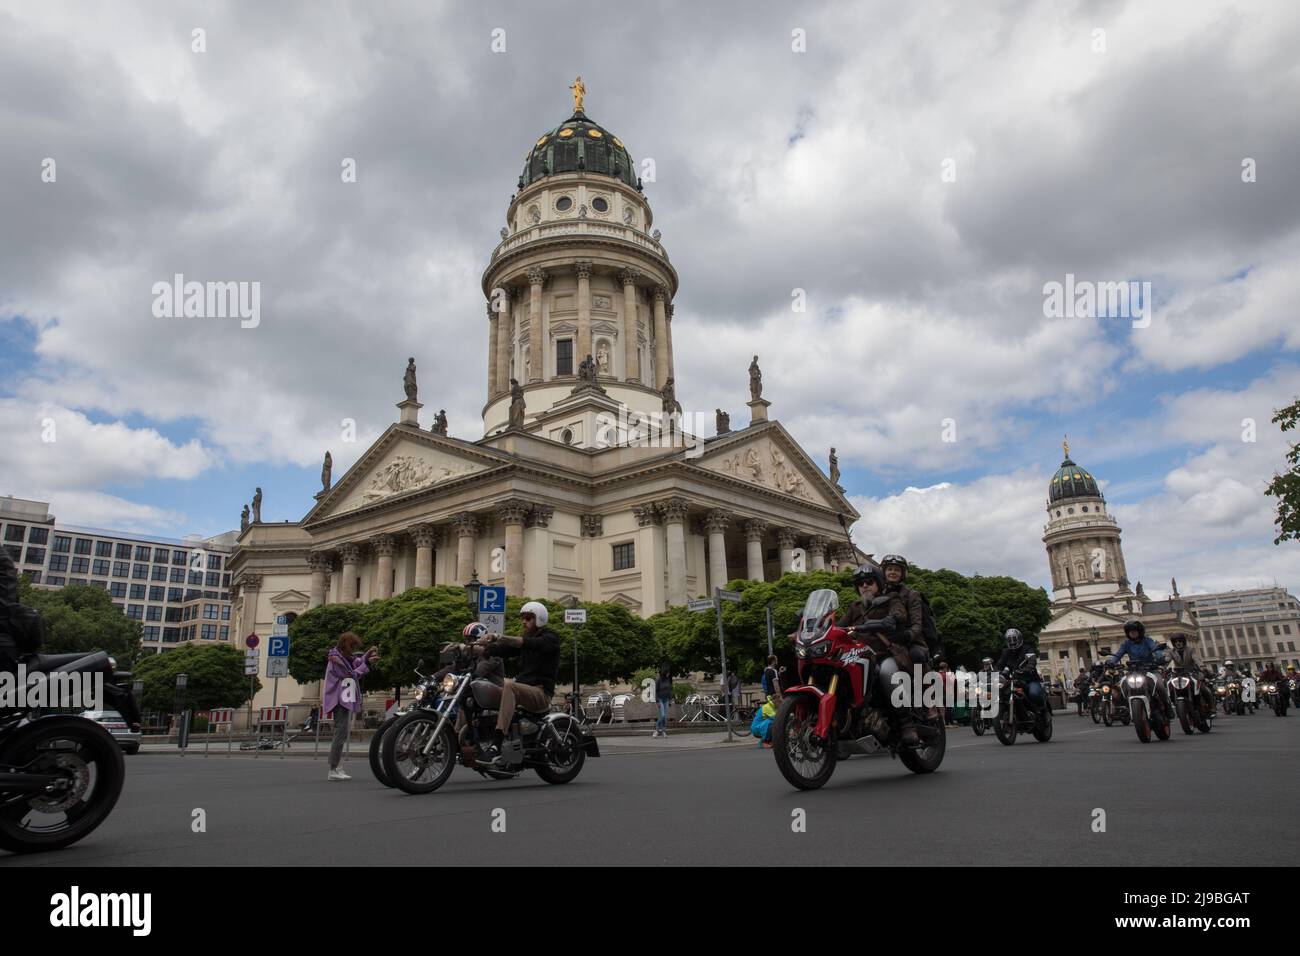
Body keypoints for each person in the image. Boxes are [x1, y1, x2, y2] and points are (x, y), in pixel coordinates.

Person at [475, 601, 560, 767]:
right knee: (477, 690)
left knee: (510, 686)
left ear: (540, 619)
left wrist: (498, 636)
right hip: (524, 691)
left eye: (528, 618)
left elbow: (529, 644)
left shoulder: (550, 637)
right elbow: (502, 650)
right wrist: (466, 647)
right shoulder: (527, 639)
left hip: (541, 693)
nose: (524, 622)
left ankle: (496, 745)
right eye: (523, 618)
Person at [322, 631, 378, 781]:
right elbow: (352, 674)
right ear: (346, 646)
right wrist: (366, 664)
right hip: (339, 700)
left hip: (344, 698)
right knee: (340, 734)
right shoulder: (337, 660)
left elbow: (356, 662)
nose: (353, 650)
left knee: (341, 733)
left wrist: (367, 656)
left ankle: (337, 768)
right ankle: (333, 769)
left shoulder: (342, 658)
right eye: (352, 647)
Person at [996, 628, 1046, 713]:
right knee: (1002, 693)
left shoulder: (1027, 649)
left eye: (1014, 639)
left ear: (1019, 638)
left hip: (1030, 679)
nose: (1012, 641)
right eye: (1009, 639)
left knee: (1034, 693)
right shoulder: (1006, 652)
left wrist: (1029, 667)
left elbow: (1032, 659)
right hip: (1013, 681)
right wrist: (994, 672)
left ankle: (1042, 712)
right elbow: (1000, 665)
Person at [653, 666, 673, 738]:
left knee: (665, 717)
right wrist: (657, 701)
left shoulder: (668, 680)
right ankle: (657, 730)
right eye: (668, 672)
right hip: (660, 699)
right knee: (662, 715)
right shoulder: (658, 680)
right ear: (665, 672)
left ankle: (663, 731)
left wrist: (670, 699)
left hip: (666, 700)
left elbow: (670, 690)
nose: (669, 673)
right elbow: (655, 691)